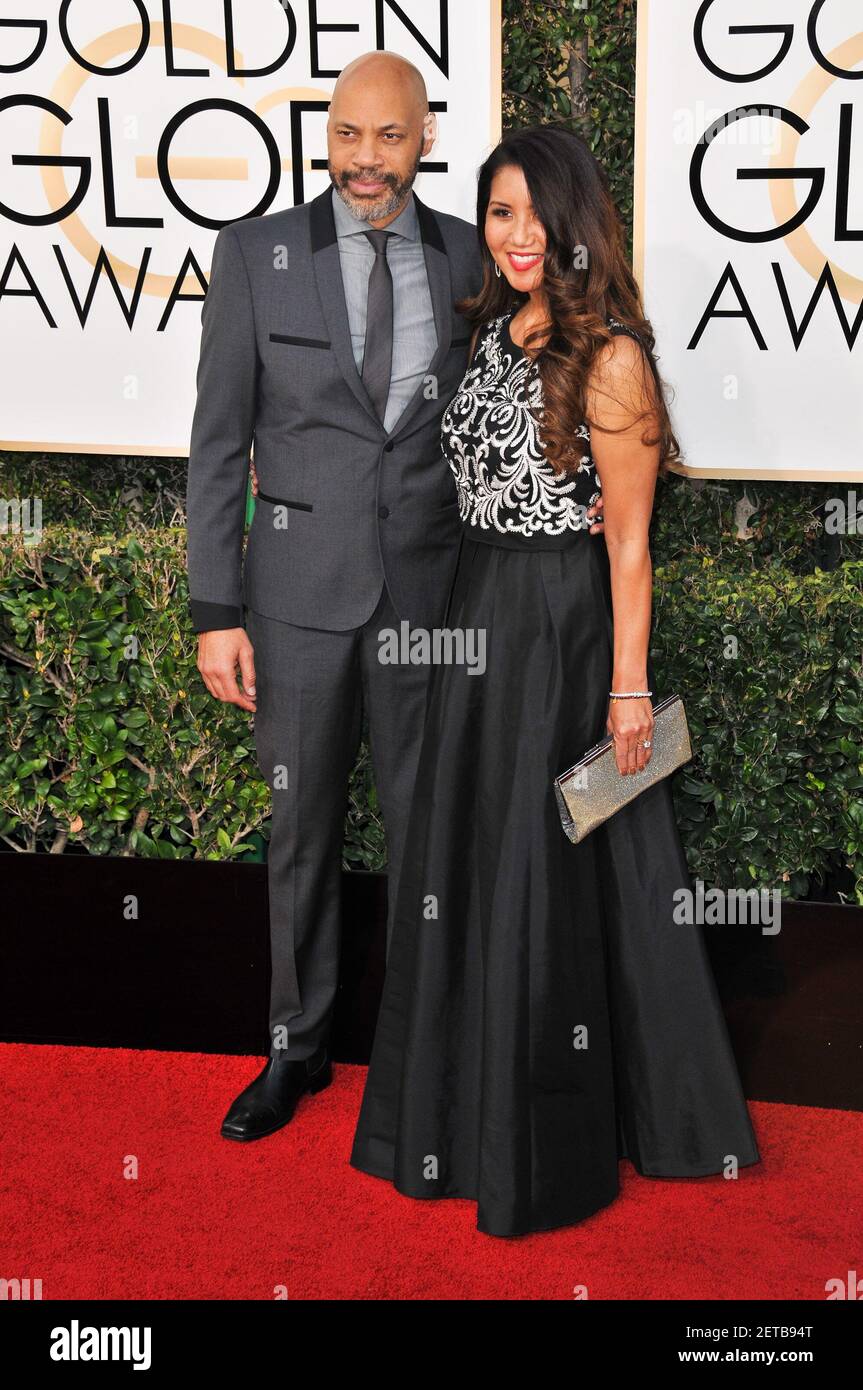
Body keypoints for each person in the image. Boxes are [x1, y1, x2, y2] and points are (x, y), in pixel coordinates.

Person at [349, 126, 761, 1237]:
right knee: (467, 859)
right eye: (497, 212)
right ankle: (448, 1116)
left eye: (534, 213)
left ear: (577, 220)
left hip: (557, 625)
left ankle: (543, 1145)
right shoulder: (489, 332)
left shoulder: (611, 354)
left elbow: (628, 544)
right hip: (477, 611)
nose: (516, 234)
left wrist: (626, 690)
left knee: (541, 872)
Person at [186, 53, 606, 1140]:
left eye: (389, 136)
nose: (365, 159)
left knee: (435, 834)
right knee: (300, 834)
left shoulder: (471, 253)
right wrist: (214, 609)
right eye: (347, 134)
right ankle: (296, 1050)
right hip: (294, 600)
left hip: (434, 599)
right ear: (326, 137)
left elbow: (546, 374)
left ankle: (431, 1052)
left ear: (425, 138)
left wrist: (589, 491)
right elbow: (217, 446)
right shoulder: (253, 256)